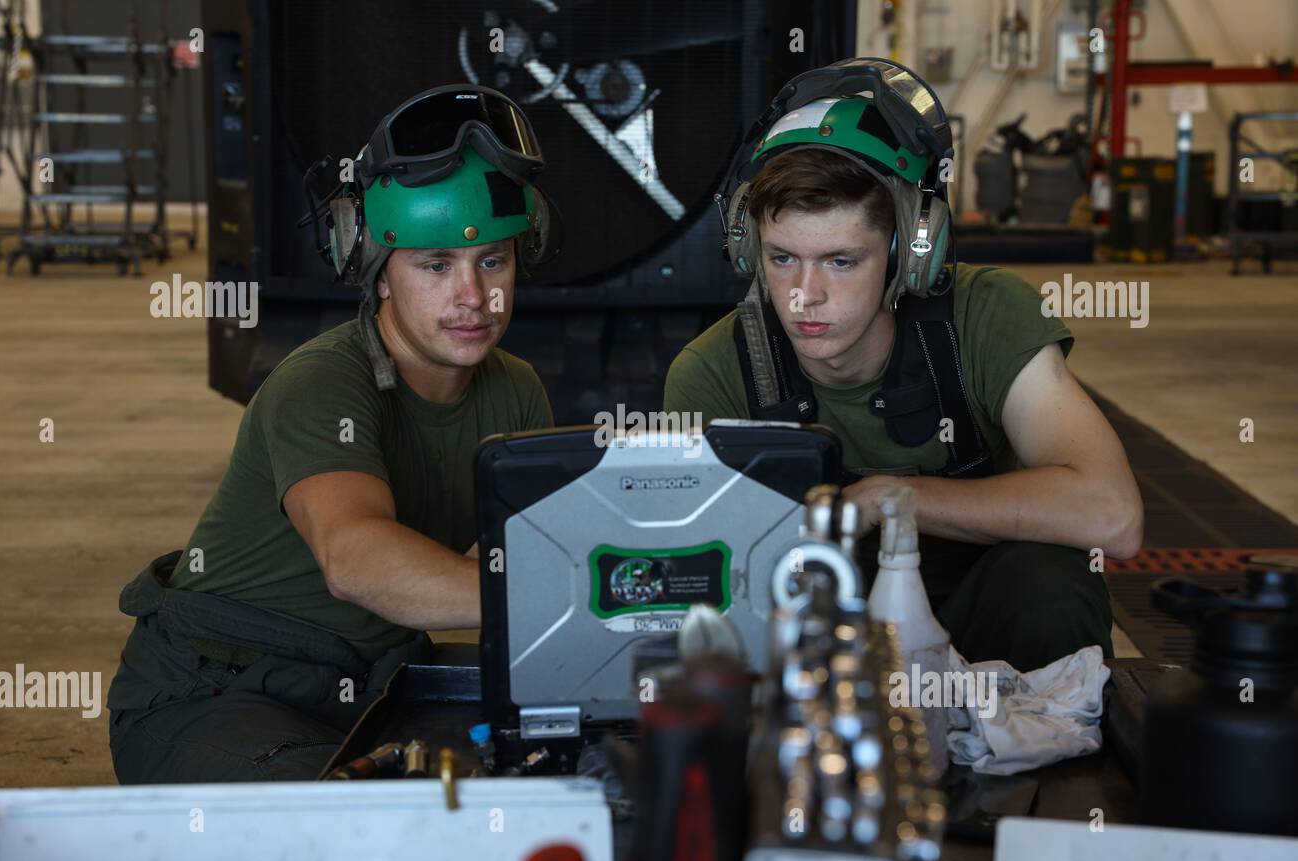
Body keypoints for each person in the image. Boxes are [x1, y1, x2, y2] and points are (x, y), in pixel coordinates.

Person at [107, 86, 557, 783]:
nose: (474, 297)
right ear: (376, 272)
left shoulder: (516, 390)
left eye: (492, 261)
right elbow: (355, 558)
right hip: (219, 688)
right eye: (435, 266)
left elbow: (553, 551)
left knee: (592, 732)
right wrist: (565, 590)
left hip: (375, 680)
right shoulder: (320, 382)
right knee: (368, 830)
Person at [664, 58, 1143, 672]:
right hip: (816, 645)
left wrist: (895, 499)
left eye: (841, 262)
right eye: (782, 259)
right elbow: (698, 586)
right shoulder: (713, 372)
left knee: (1049, 579)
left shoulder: (985, 315)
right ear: (747, 247)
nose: (803, 295)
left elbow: (1114, 515)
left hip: (982, 625)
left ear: (909, 256)